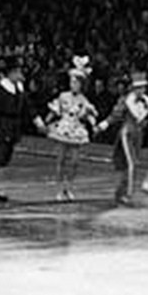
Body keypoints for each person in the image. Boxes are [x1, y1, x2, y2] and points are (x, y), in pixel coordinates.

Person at [40, 57, 97, 203]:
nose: (74, 84)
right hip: (63, 128)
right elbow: (54, 110)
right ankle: (59, 189)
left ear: (81, 85)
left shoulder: (84, 100)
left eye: (77, 82)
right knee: (61, 159)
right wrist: (45, 121)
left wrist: (94, 124)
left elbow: (90, 115)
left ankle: (69, 187)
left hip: (76, 130)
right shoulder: (63, 96)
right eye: (72, 82)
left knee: (74, 161)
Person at [95, 72, 148, 208]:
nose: (141, 90)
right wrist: (103, 125)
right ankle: (128, 195)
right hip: (127, 134)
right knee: (131, 164)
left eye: (143, 88)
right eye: (138, 88)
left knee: (130, 165)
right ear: (133, 88)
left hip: (138, 136)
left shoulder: (147, 101)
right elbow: (115, 115)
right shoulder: (126, 100)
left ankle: (120, 192)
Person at [0, 60, 32, 206]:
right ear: (11, 73)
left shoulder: (19, 88)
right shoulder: (1, 88)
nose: (20, 74)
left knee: (6, 157)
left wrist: (37, 120)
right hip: (2, 125)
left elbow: (28, 106)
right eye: (18, 71)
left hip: (14, 125)